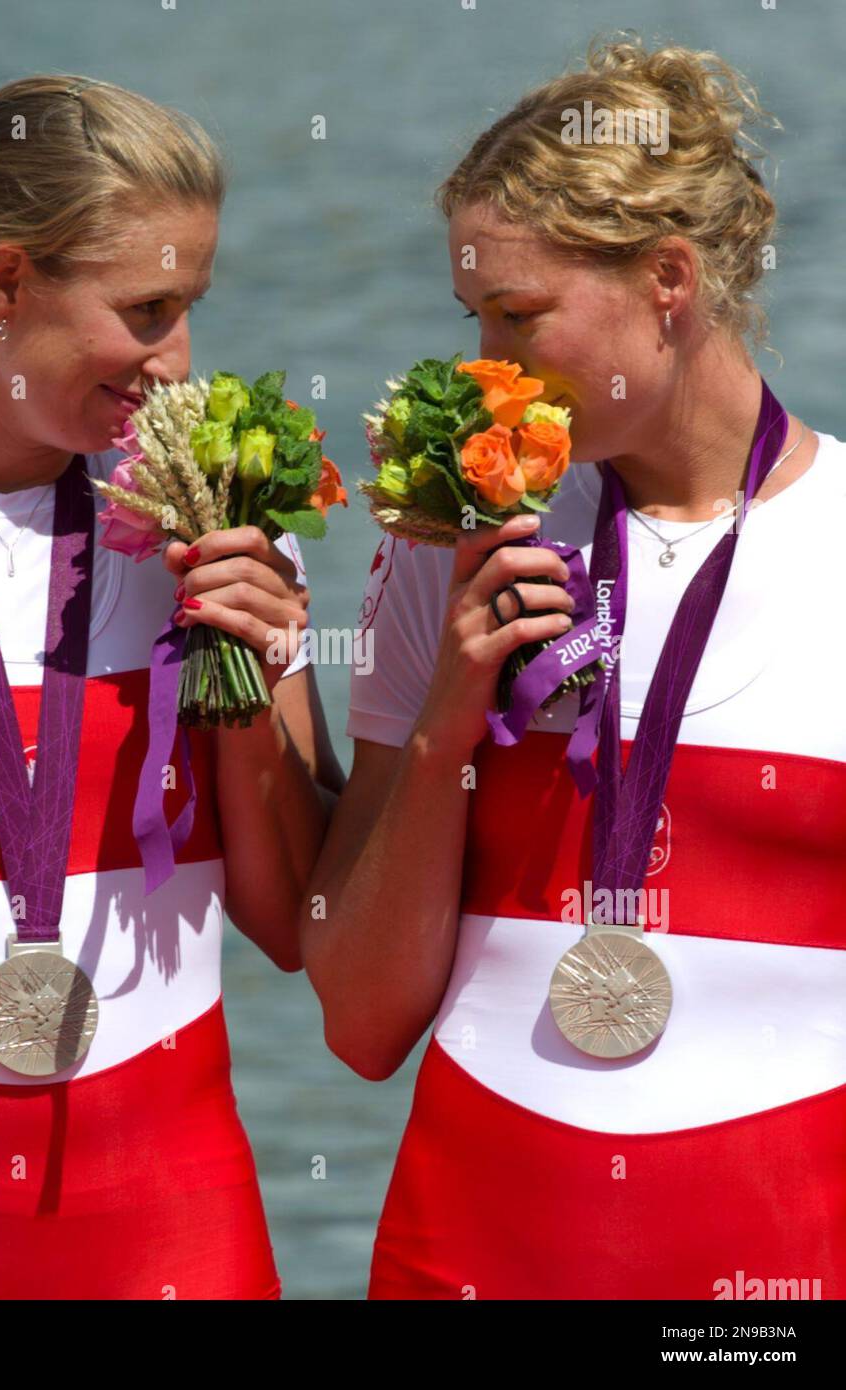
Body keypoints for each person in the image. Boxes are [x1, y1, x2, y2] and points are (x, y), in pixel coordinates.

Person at [302, 36, 846, 1299]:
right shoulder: (452, 539)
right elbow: (360, 1019)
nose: (480, 365)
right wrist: (446, 719)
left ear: (667, 278)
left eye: (518, 315)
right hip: (470, 1251)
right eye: (472, 316)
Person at [0, 73, 344, 1301]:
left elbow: (297, 926)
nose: (178, 361)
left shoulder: (229, 524)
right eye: (145, 310)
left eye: (192, 306)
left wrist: (248, 688)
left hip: (175, 1232)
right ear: (3, 287)